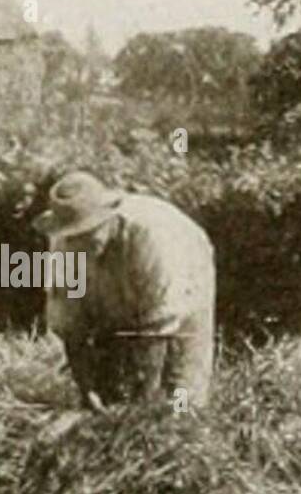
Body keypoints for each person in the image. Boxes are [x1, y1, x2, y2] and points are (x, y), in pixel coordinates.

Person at [35, 171, 215, 410]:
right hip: (128, 281)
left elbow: (158, 324)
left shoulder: (155, 238)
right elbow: (70, 324)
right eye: (75, 238)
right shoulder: (64, 243)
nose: (82, 245)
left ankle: (182, 422)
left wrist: (140, 408)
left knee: (182, 387)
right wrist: (86, 389)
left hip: (185, 273)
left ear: (108, 218)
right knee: (111, 385)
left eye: (89, 234)